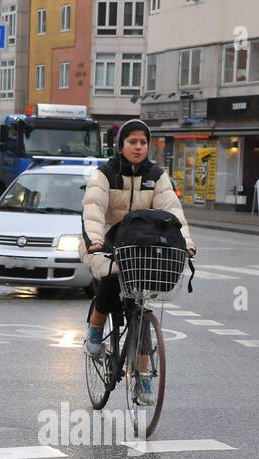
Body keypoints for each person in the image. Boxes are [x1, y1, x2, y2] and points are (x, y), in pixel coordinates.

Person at [80, 120, 195, 406]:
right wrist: (94, 240)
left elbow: (173, 212)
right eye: (132, 141)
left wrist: (187, 244)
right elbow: (93, 210)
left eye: (143, 142)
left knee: (141, 312)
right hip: (106, 240)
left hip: (143, 245)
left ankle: (143, 375)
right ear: (121, 145)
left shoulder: (157, 176)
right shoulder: (105, 174)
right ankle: (95, 329)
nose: (138, 146)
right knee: (110, 274)